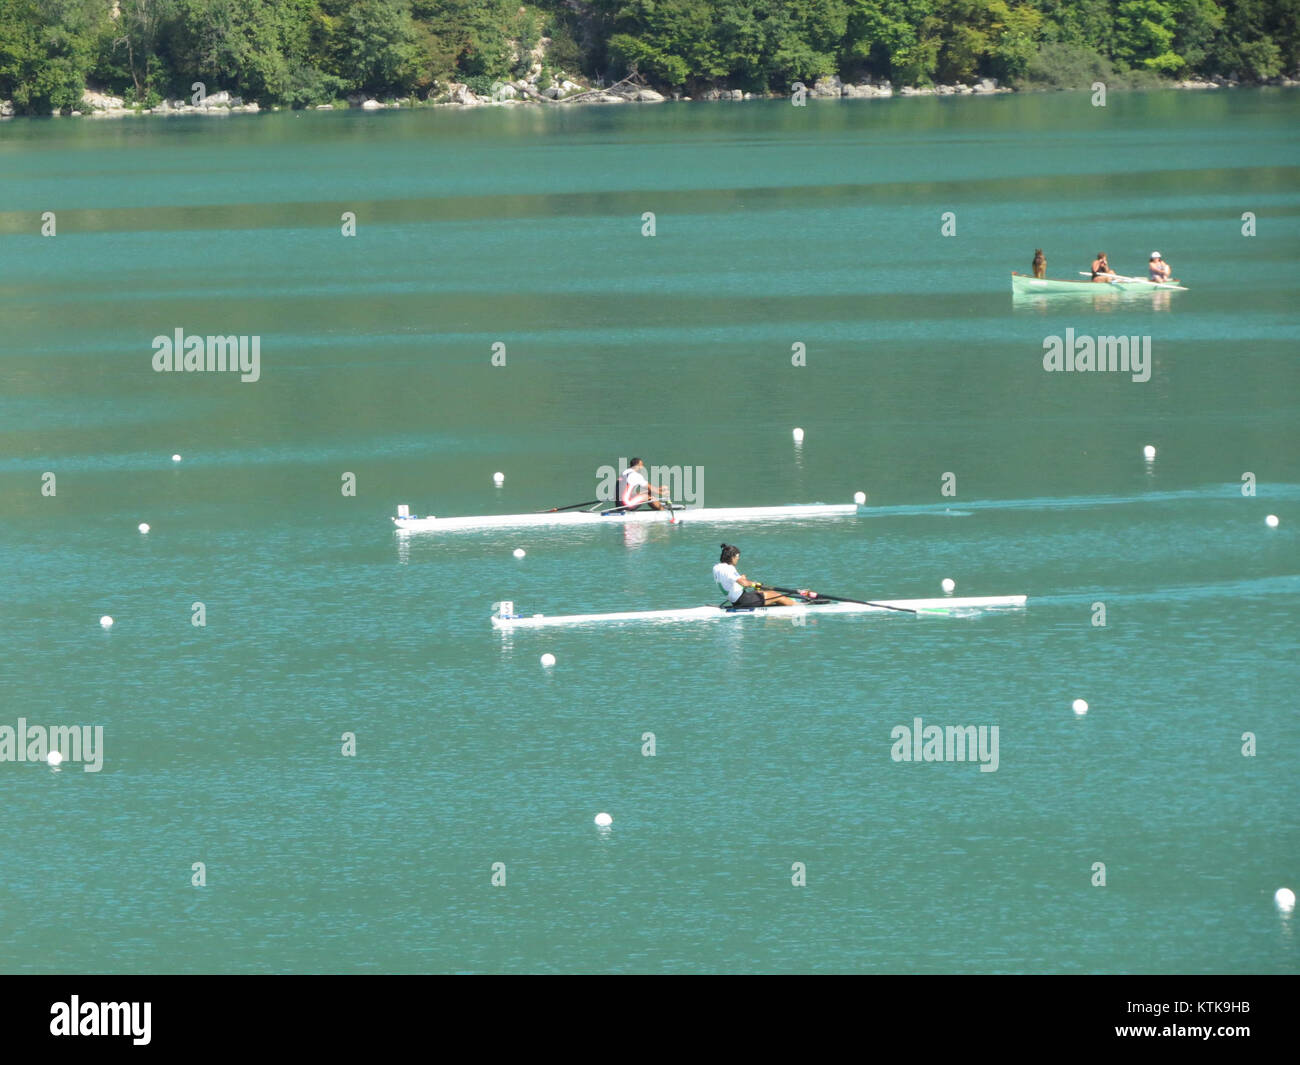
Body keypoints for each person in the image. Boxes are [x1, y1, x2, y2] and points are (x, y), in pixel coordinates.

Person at [712, 544, 800, 608]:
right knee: (775, 595)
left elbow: (727, 582)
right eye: (737, 557)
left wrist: (741, 580)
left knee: (760, 591)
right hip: (744, 600)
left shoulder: (716, 567)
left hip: (735, 601)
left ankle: (786, 602)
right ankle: (799, 606)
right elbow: (745, 583)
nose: (738, 559)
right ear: (731, 557)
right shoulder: (729, 569)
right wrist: (753, 583)